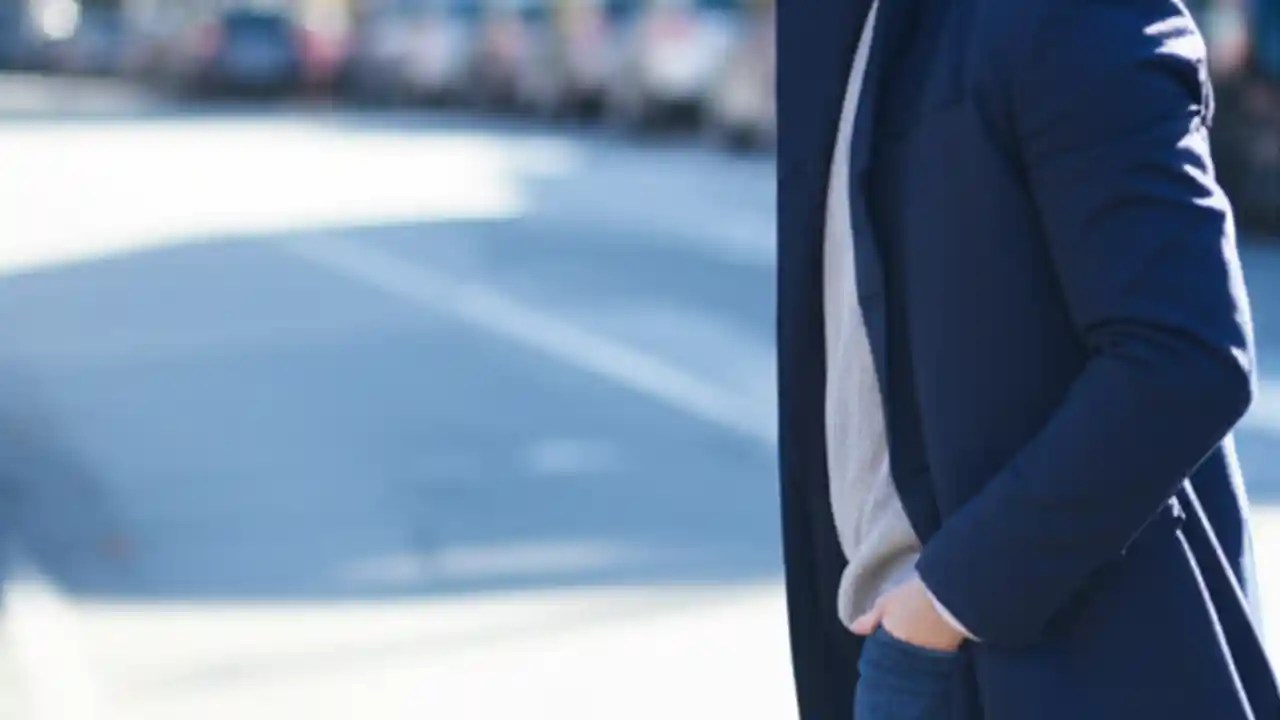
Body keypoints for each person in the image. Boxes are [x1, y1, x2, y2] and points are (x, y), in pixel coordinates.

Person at [776, 0, 1280, 718]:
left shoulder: (1069, 13)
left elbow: (1185, 357)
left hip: (1038, 659)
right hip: (907, 650)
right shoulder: (855, 26)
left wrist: (947, 602)